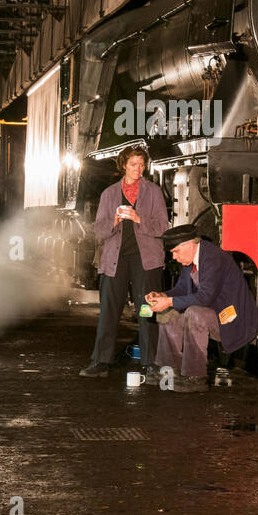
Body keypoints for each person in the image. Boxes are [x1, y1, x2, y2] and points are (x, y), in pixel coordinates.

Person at [79, 145, 170, 378]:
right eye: (133, 164)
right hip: (115, 260)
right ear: (123, 166)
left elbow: (162, 227)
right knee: (109, 310)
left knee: (147, 310)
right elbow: (98, 231)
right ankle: (100, 362)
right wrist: (115, 221)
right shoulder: (109, 194)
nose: (138, 169)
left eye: (141, 164)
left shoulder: (154, 192)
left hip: (146, 260)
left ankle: (151, 363)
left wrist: (139, 219)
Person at [145, 225, 258, 393]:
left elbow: (205, 298)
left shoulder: (213, 258)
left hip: (233, 319)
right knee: (169, 313)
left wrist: (169, 301)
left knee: (194, 313)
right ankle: (168, 369)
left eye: (175, 252)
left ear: (189, 245)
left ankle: (195, 377)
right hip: (214, 312)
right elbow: (181, 290)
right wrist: (162, 296)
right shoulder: (191, 259)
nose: (174, 257)